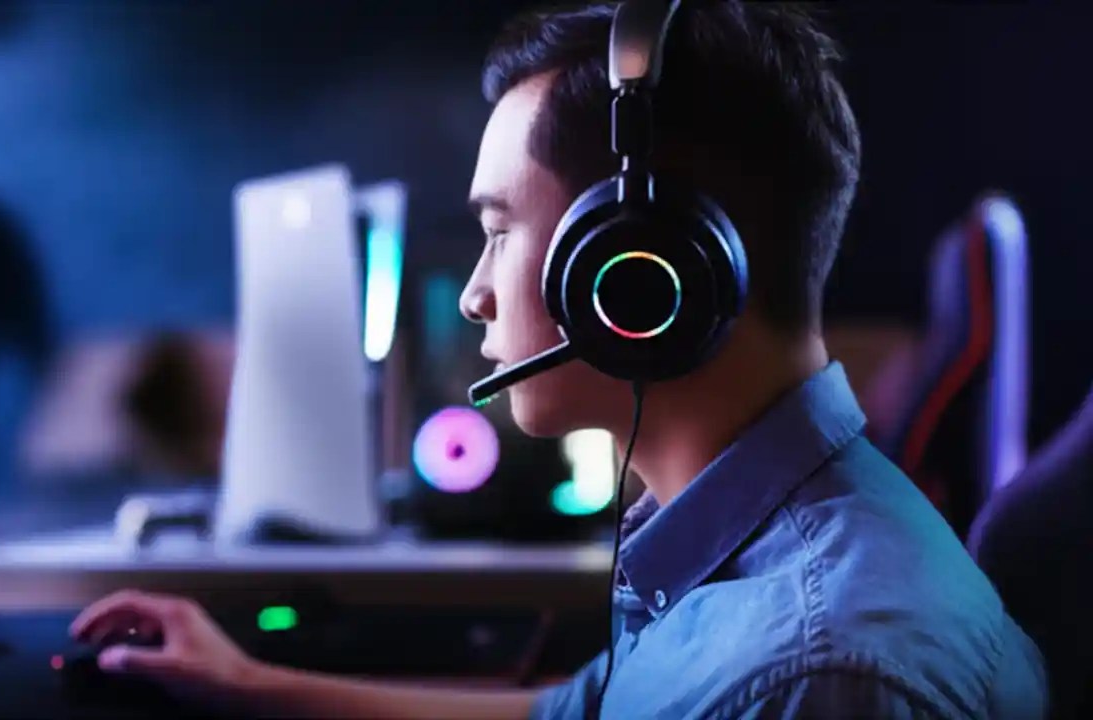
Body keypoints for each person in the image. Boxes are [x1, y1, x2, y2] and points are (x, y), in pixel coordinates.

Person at [72, 2, 1048, 718]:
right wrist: (248, 682)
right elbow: (569, 715)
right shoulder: (740, 544)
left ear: (632, 274)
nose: (472, 294)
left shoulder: (814, 674)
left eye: (498, 231)